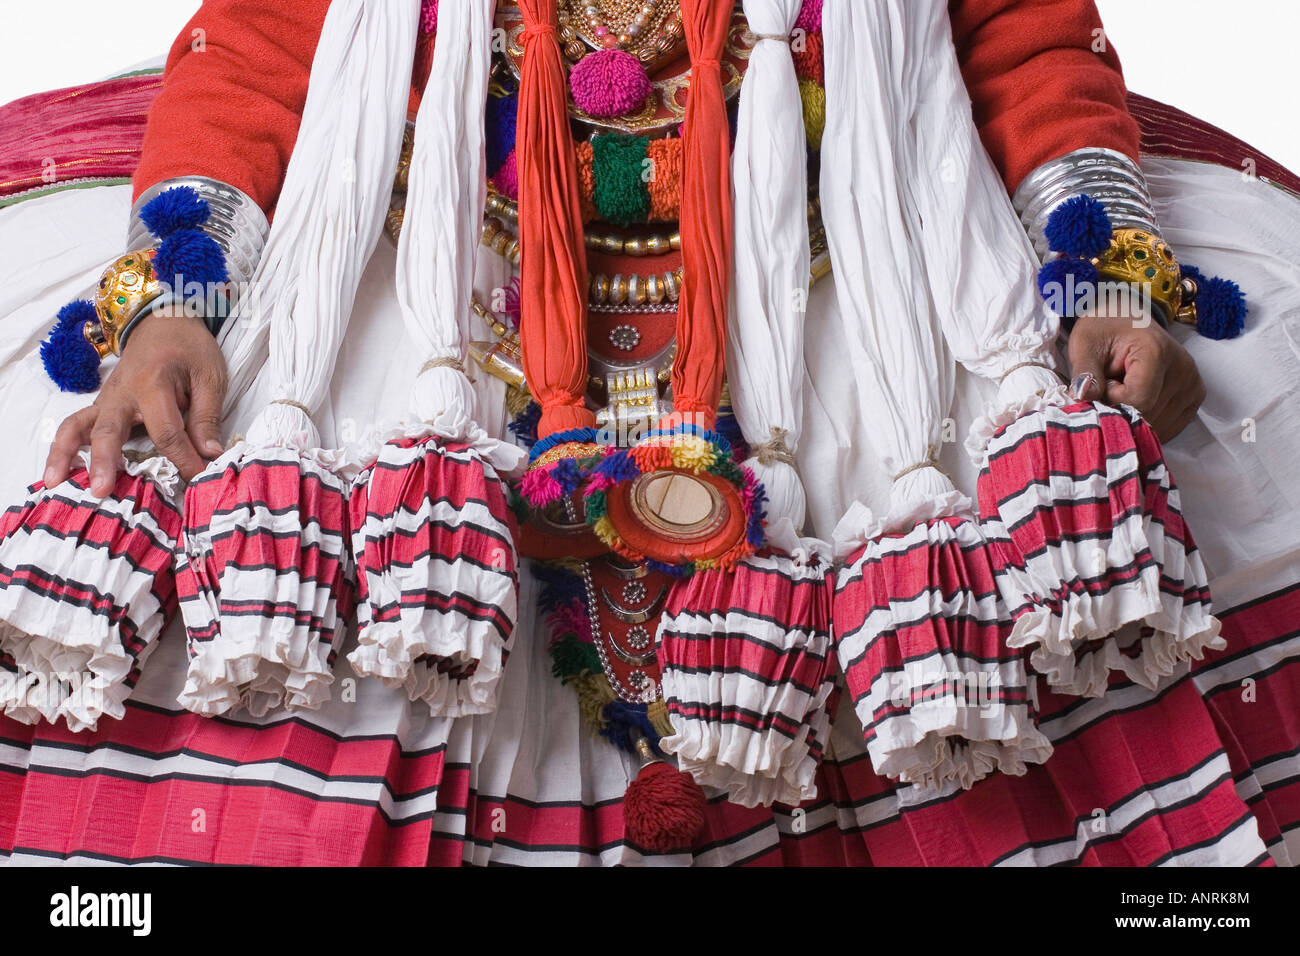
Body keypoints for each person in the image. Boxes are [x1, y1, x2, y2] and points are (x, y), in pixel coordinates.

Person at [0, 0, 1295, 866]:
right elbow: (263, 49)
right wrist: (177, 309)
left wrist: (1102, 284)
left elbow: (1019, 35)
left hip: (857, 262)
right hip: (444, 266)